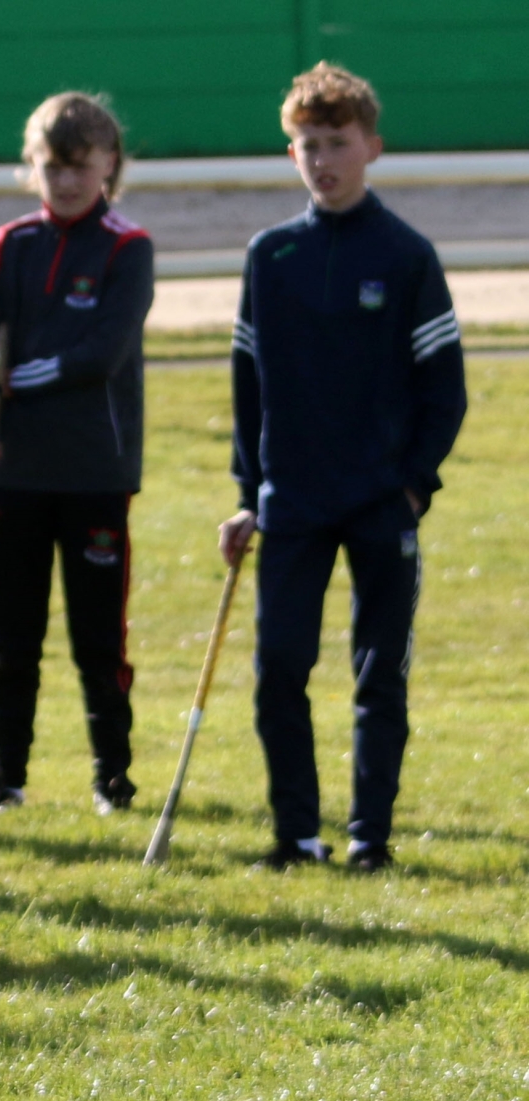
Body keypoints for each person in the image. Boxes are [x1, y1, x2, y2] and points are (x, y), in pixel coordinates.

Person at [219, 63, 465, 872]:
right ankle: (296, 836)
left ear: (372, 147)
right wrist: (249, 494)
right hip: (290, 504)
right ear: (291, 152)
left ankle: (370, 839)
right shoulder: (271, 255)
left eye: (337, 143)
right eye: (308, 145)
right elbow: (248, 388)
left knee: (378, 676)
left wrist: (412, 485)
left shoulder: (406, 255)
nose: (322, 159)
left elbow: (445, 390)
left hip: (380, 505)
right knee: (279, 671)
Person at [0, 92, 152, 819]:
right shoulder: (8, 247)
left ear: (109, 165)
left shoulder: (128, 247)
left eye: (79, 166)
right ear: (30, 165)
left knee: (99, 638)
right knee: (13, 638)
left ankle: (112, 777)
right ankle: (6, 776)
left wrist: (8, 383)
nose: (65, 181)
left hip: (96, 474)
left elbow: (100, 354)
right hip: (13, 475)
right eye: (51, 166)